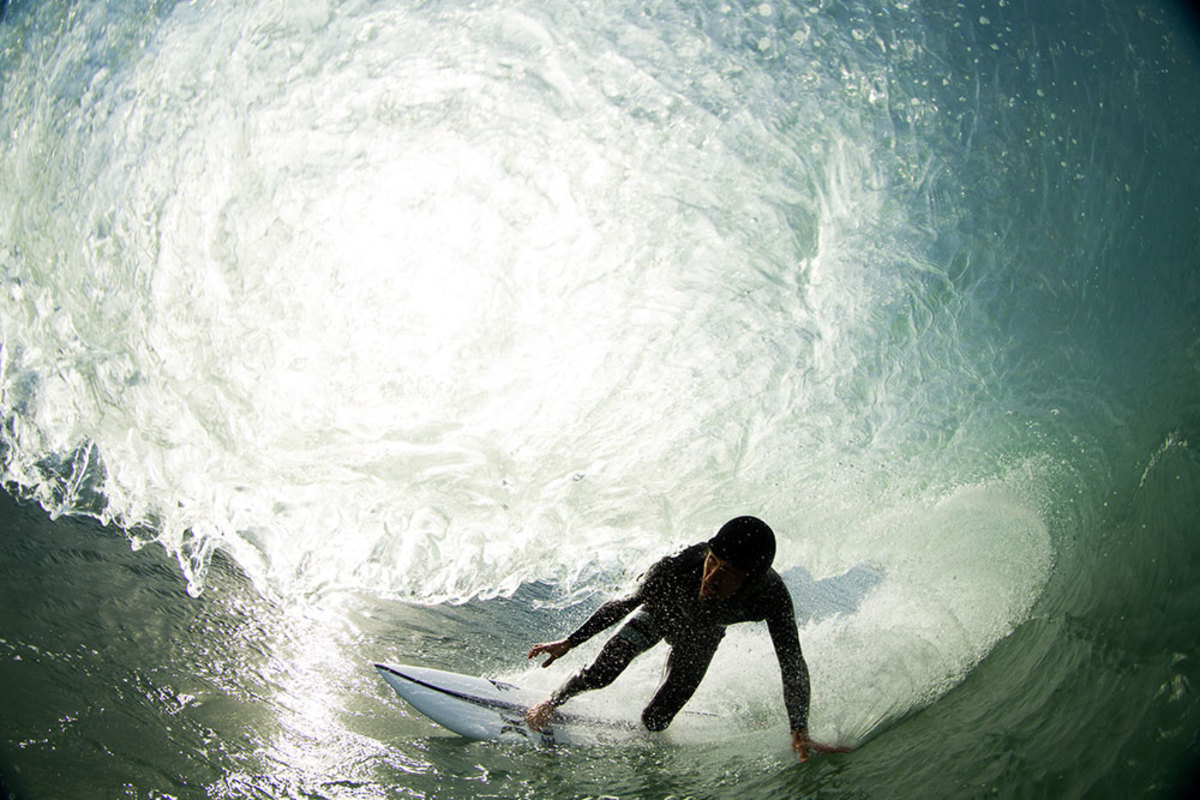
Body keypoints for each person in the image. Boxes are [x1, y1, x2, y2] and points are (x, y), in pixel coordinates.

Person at [525, 516, 848, 761]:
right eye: (712, 562)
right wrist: (569, 642)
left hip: (701, 638)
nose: (711, 577)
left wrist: (798, 727)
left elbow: (791, 661)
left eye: (727, 573)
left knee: (656, 720)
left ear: (750, 581)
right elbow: (625, 603)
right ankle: (553, 700)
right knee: (601, 674)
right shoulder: (678, 566)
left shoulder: (771, 597)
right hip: (660, 612)